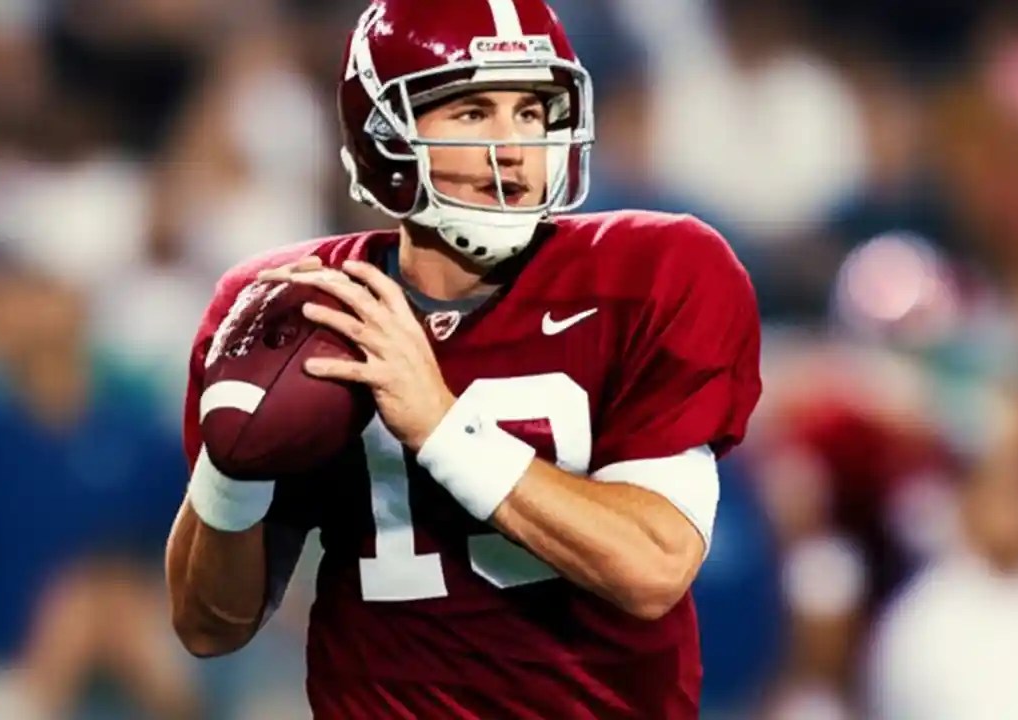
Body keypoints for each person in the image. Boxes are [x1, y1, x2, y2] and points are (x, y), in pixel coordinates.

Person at [166, 1, 762, 717]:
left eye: (533, 111)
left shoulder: (651, 273)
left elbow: (652, 565)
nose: (513, 147)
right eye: (473, 112)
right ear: (385, 134)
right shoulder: (305, 307)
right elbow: (208, 625)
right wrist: (232, 469)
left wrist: (442, 427)